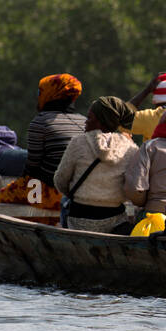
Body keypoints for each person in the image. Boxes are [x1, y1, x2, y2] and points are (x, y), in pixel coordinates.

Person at [0, 72, 85, 210]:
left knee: (3, 199)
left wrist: (20, 184)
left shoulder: (41, 122)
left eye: (40, 92)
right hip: (81, 193)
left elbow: (33, 166)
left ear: (51, 94)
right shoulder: (85, 121)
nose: (38, 96)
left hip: (52, 193)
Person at [53, 96, 138, 233]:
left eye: (90, 118)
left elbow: (60, 181)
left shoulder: (78, 143)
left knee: (65, 202)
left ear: (101, 122)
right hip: (114, 220)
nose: (85, 123)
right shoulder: (131, 148)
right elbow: (131, 188)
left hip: (79, 220)